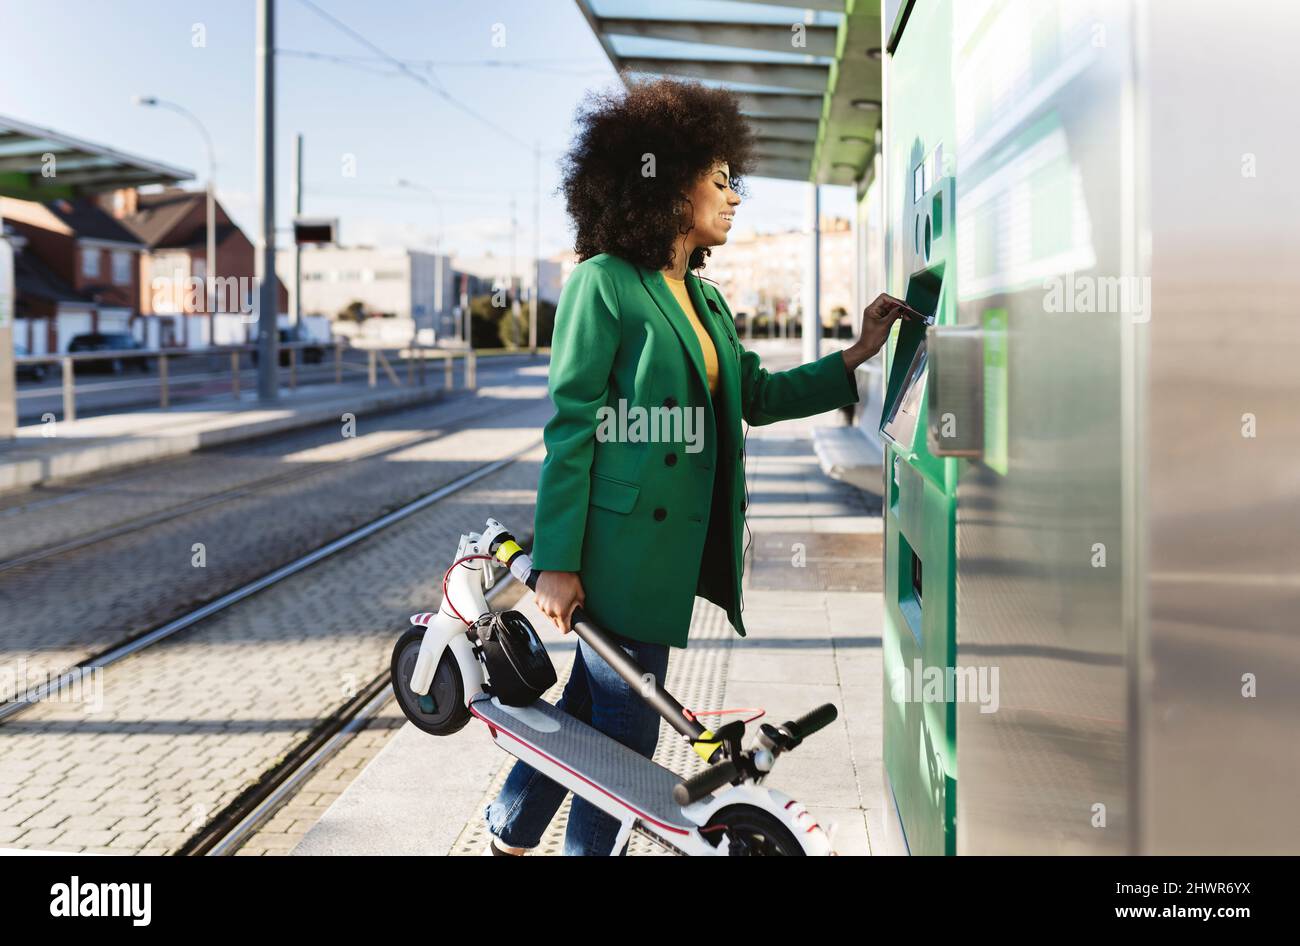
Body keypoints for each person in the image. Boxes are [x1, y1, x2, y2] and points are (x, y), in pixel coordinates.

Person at [484, 77, 914, 856]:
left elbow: (753, 394)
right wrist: (555, 562)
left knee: (590, 707)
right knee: (624, 742)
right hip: (615, 553)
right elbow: (572, 427)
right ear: (659, 180)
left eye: (734, 180)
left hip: (667, 551)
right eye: (719, 180)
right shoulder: (602, 283)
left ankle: (508, 829)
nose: (735, 197)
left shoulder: (705, 300)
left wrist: (856, 354)